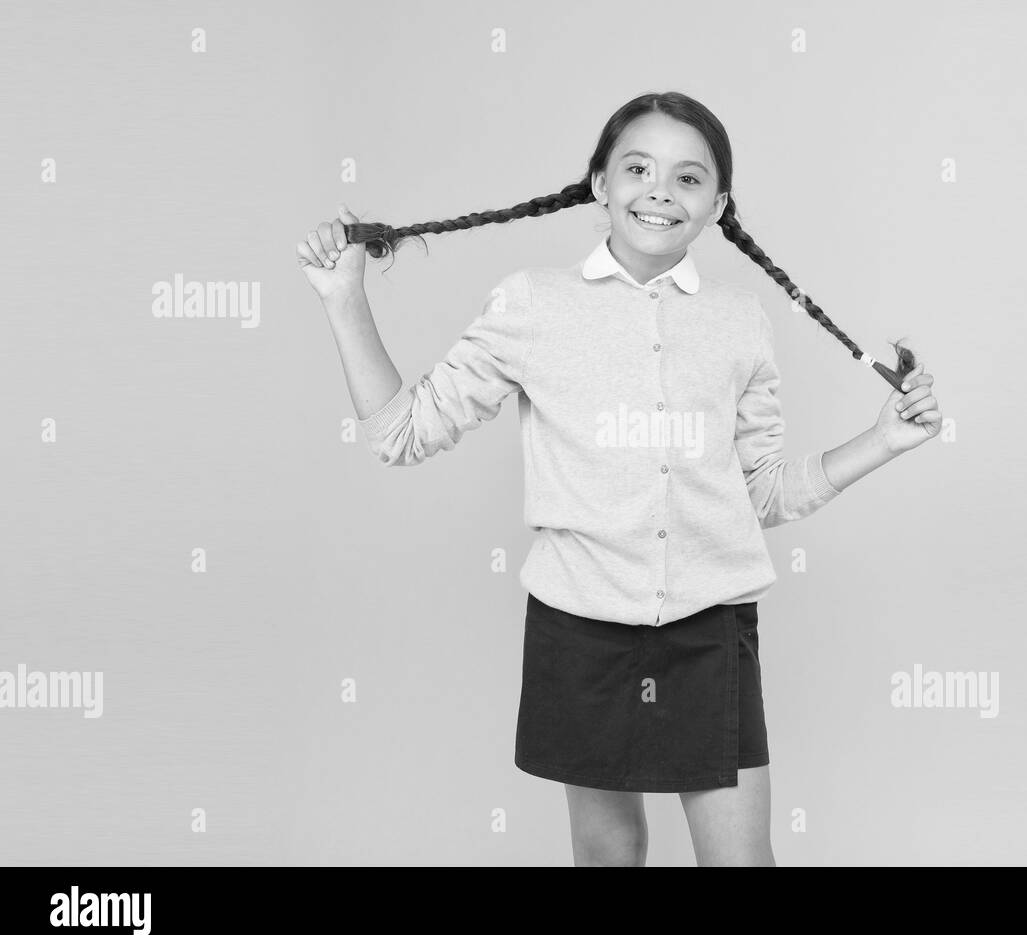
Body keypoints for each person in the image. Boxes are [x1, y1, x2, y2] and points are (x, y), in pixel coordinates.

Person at [296, 91, 941, 866]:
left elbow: (761, 493)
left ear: (718, 205)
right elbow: (400, 433)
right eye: (636, 168)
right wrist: (344, 300)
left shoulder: (740, 323)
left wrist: (881, 441)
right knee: (609, 853)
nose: (660, 190)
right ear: (600, 183)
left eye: (688, 177)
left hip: (710, 627)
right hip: (580, 630)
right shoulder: (532, 305)